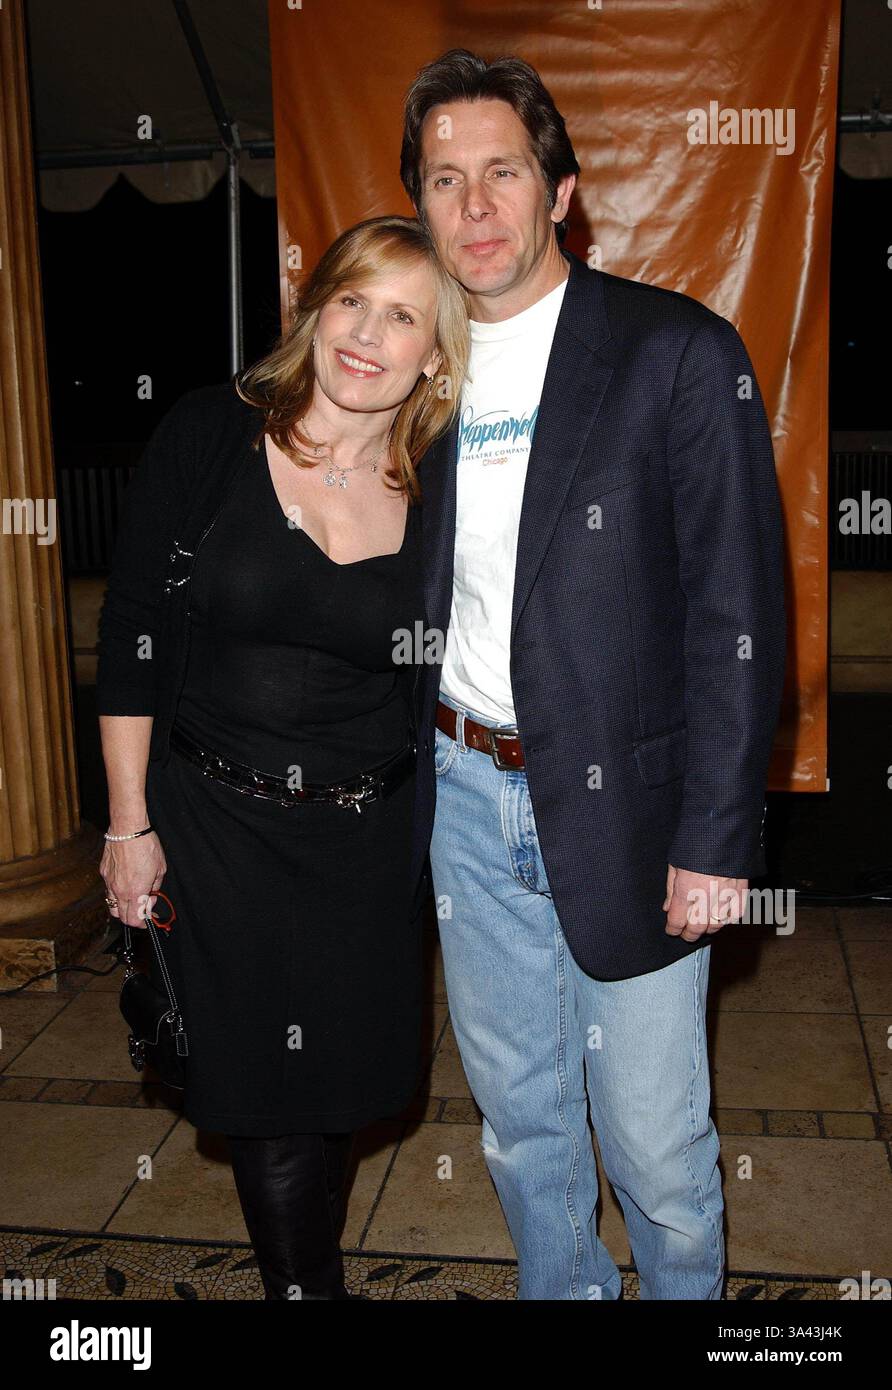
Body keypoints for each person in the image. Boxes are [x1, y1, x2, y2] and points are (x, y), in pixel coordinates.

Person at [399, 50, 787, 1300]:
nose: (474, 206)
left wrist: (717, 840)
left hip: (632, 808)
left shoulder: (676, 351)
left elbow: (738, 611)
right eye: (444, 180)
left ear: (559, 190)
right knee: (523, 1132)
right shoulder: (413, 369)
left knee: (657, 1150)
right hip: (464, 800)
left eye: (502, 172)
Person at [96, 214, 469, 1300]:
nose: (367, 333)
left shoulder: (443, 483)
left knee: (338, 1090)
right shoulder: (210, 433)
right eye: (351, 299)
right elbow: (132, 636)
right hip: (219, 832)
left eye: (401, 316)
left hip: (365, 844)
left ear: (435, 354)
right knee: (265, 1099)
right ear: (314, 310)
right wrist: (128, 825)